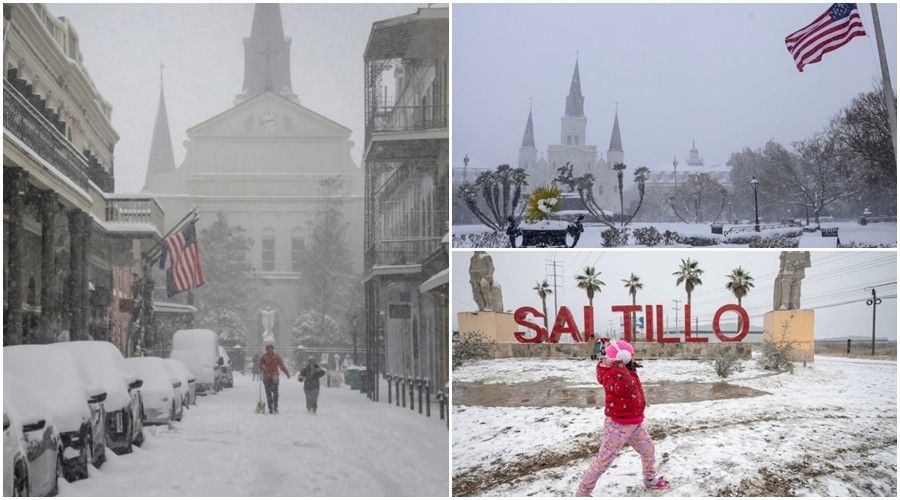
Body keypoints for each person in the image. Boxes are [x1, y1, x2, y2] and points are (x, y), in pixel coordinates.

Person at [577, 339, 669, 495]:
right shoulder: (613, 375)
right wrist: (618, 365)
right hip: (617, 427)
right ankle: (583, 492)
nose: (634, 358)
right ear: (623, 357)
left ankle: (650, 480)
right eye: (631, 355)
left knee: (648, 451)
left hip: (635, 425)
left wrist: (619, 365)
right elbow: (624, 387)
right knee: (603, 461)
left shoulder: (623, 370)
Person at [259, 344, 289, 414]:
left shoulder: (276, 357)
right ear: (266, 350)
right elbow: (260, 365)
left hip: (275, 376)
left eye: (271, 349)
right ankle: (270, 407)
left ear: (273, 349)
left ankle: (275, 406)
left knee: (275, 392)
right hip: (266, 377)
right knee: (268, 393)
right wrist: (263, 367)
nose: (270, 350)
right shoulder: (263, 357)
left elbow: (282, 366)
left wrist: (286, 373)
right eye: (268, 349)